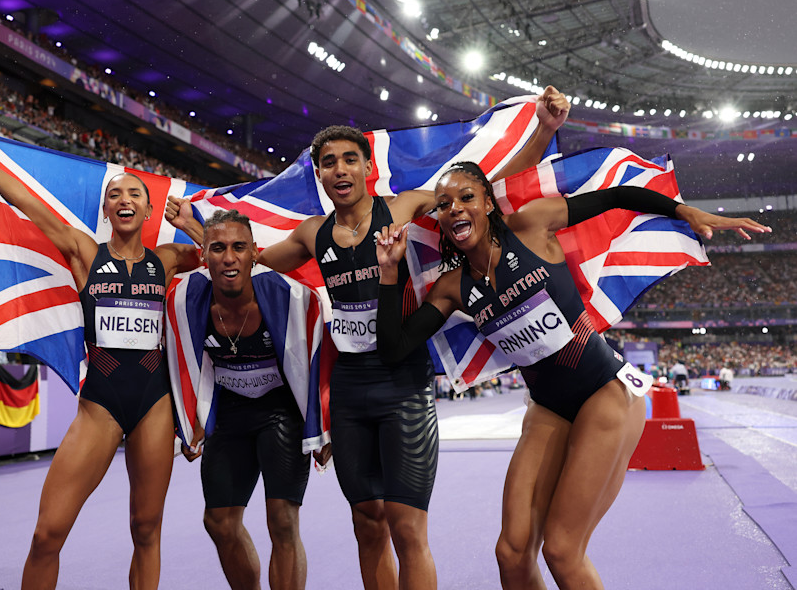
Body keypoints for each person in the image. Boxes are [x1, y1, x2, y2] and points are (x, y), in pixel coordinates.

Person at [166, 86, 571, 589]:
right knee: (368, 524)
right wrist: (198, 230)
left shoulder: (402, 209)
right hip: (352, 390)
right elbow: (246, 263)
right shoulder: (313, 234)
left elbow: (490, 191)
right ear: (319, 174)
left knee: (407, 527)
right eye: (329, 162)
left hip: (403, 382)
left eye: (349, 160)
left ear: (366, 169)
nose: (340, 169)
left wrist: (544, 130)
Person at [372, 160, 770, 589]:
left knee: (561, 549)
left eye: (467, 197)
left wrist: (682, 211)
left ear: (487, 202)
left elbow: (617, 197)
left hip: (606, 393)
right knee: (511, 554)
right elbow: (394, 347)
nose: (455, 209)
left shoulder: (532, 226)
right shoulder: (452, 287)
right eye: (445, 204)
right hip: (549, 408)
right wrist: (390, 272)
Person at [0, 102, 201, 590]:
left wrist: (191, 224)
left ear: (149, 210)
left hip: (155, 404)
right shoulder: (86, 251)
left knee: (147, 530)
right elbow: (27, 202)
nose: (124, 199)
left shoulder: (167, 259)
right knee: (48, 533)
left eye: (135, 193)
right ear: (106, 210)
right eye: (115, 194)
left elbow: (233, 253)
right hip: (100, 404)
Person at [175, 209, 330, 590]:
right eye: (218, 248)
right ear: (203, 255)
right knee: (219, 522)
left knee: (282, 519)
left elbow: (317, 364)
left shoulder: (291, 297)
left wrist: (321, 430)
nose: (229, 257)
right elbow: (183, 362)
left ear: (254, 253)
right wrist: (190, 422)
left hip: (281, 412)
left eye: (239, 247)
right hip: (229, 412)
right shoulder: (183, 300)